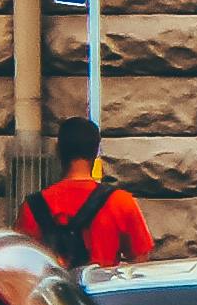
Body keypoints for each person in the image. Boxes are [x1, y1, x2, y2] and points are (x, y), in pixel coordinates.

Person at [20, 112, 153, 271]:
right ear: (96, 152)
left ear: (59, 151)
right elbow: (140, 263)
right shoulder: (120, 202)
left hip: (54, 287)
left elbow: (20, 264)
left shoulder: (32, 207)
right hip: (101, 287)